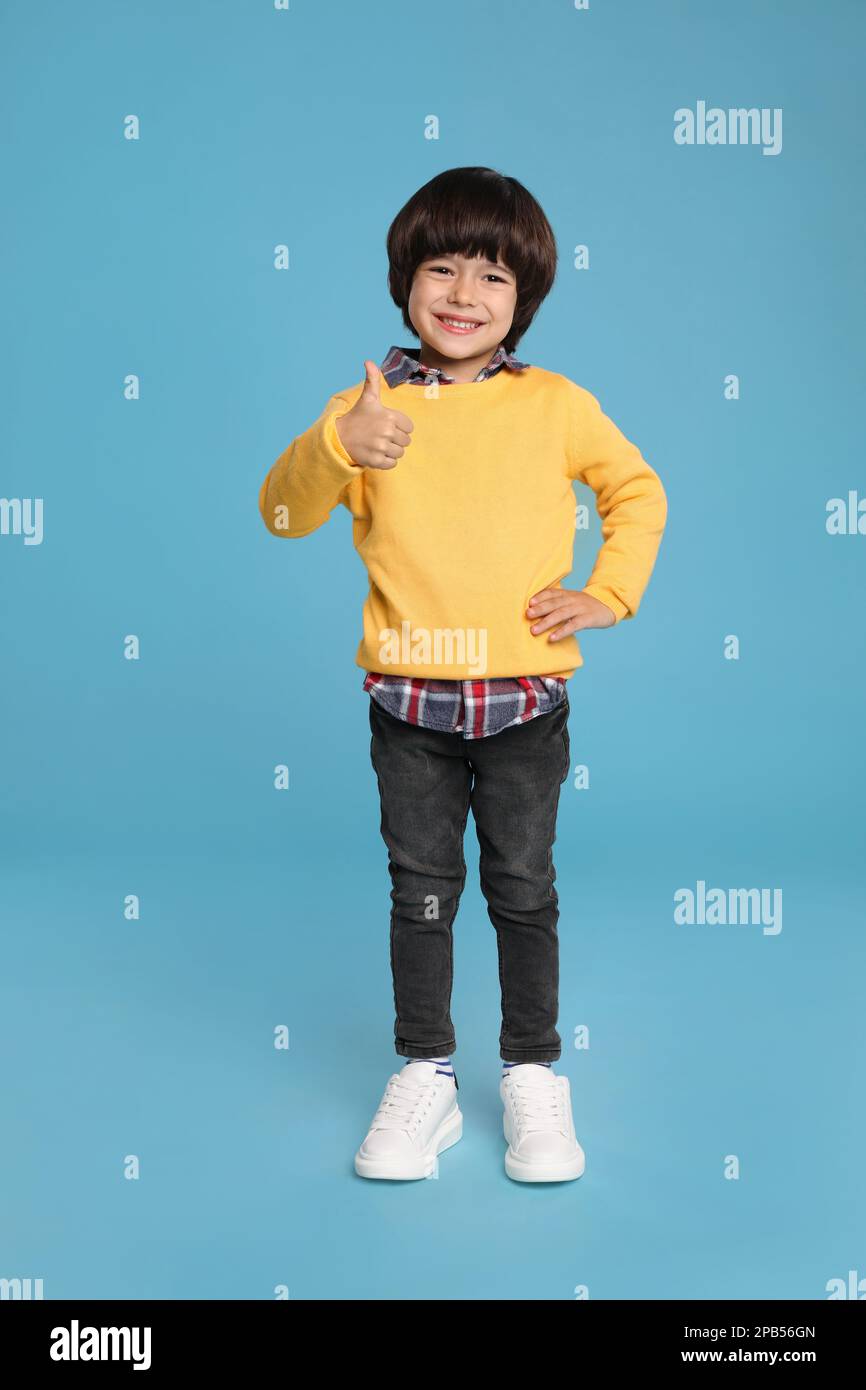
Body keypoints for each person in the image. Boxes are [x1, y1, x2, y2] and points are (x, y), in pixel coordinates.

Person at [258, 166, 668, 1183]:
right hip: (409, 710)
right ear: (403, 282)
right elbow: (279, 510)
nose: (460, 293)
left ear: (521, 299)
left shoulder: (553, 404)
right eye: (438, 268)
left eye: (489, 275)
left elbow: (635, 490)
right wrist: (332, 444)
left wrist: (607, 593)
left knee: (521, 888)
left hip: (523, 705)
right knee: (421, 893)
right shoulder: (367, 409)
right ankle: (426, 1075)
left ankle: (531, 1072)